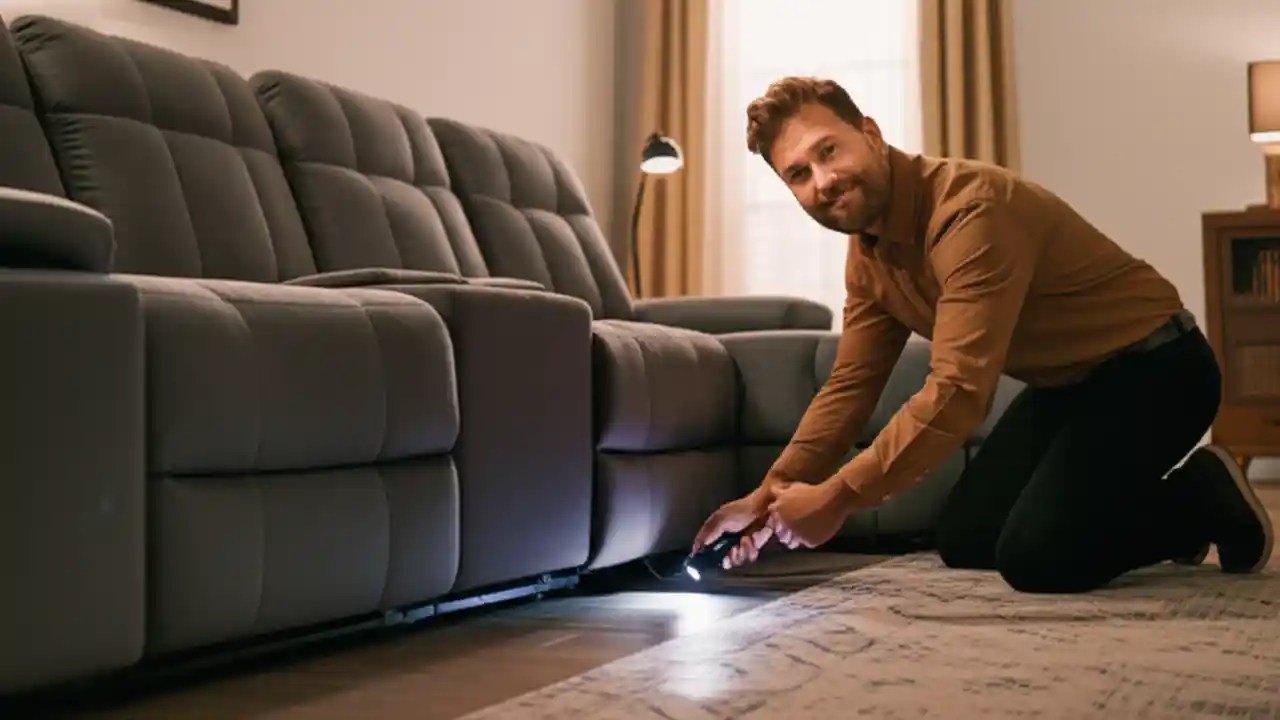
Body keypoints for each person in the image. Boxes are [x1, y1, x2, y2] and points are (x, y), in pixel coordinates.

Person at [692, 76, 1274, 593]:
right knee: (967, 538)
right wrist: (768, 495)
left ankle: (1198, 499)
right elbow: (852, 383)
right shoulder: (867, 255)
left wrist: (839, 496)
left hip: (1159, 368)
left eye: (828, 150)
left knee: (1038, 558)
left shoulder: (970, 212)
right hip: (1069, 386)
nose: (822, 179)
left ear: (869, 133)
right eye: (798, 173)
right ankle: (1132, 513)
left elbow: (959, 392)